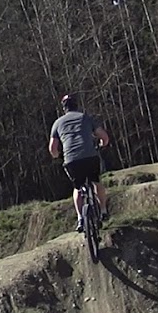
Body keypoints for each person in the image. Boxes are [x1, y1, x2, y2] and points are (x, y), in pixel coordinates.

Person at [49, 94, 111, 232]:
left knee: (77, 188)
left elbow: (52, 148)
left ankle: (80, 219)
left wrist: (57, 156)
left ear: (64, 108)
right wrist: (102, 144)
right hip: (90, 157)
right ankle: (103, 210)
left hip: (71, 161)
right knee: (96, 182)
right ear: (76, 105)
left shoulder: (57, 123)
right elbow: (104, 137)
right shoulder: (85, 118)